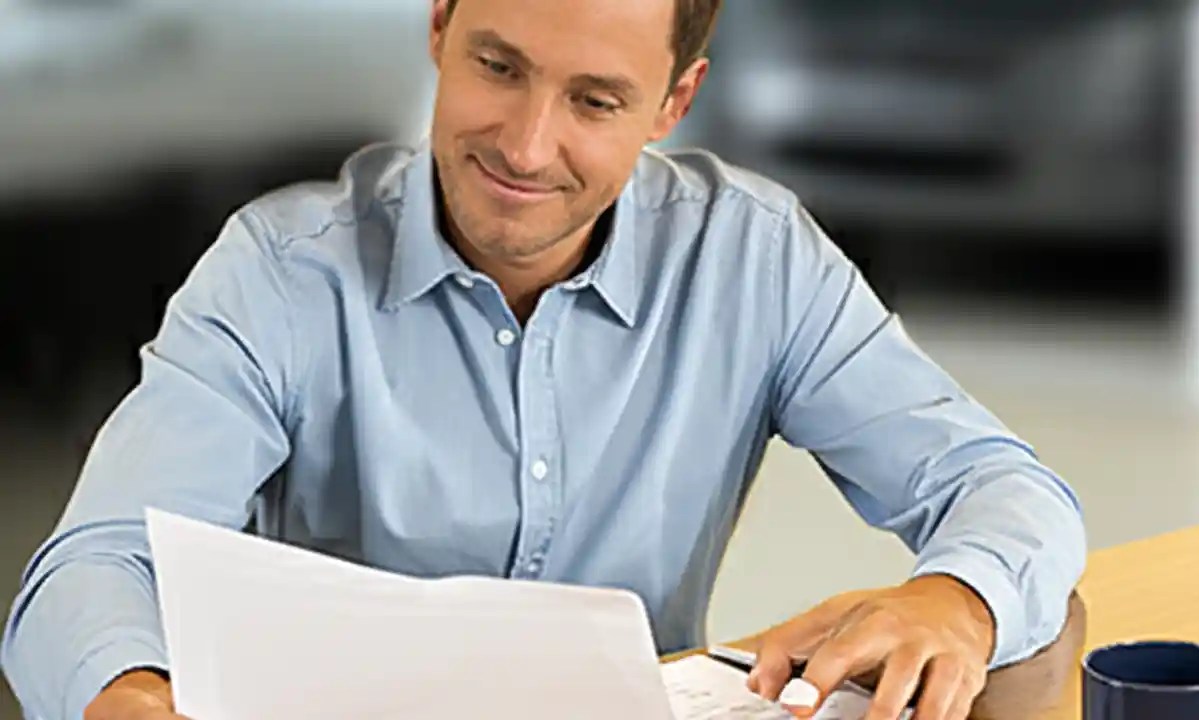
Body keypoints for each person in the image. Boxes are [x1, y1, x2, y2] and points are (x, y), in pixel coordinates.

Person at [1, 0, 1086, 718]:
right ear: (438, 26)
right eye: (498, 67)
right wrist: (135, 702)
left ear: (673, 102)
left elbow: (1001, 488)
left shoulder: (753, 258)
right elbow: (81, 574)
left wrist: (957, 596)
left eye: (594, 101)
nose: (524, 146)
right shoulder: (280, 271)